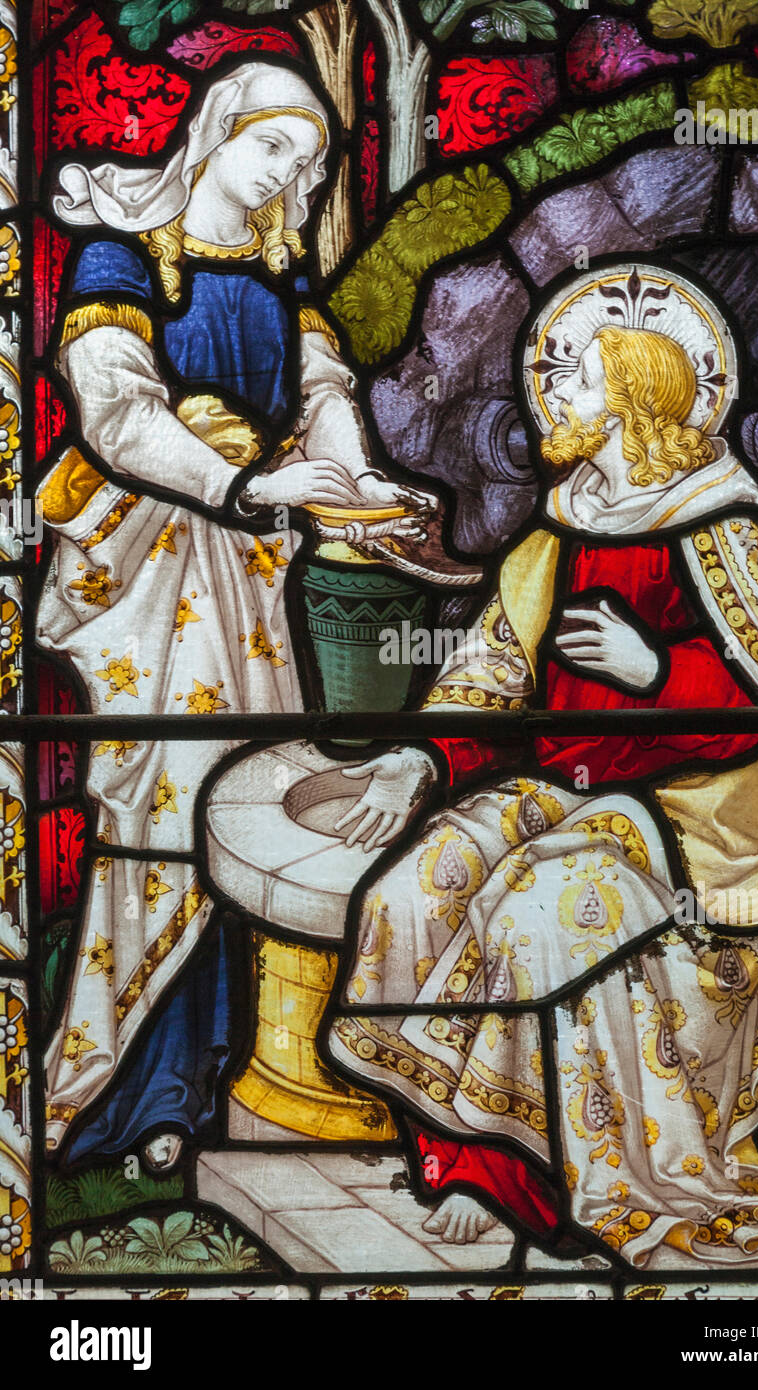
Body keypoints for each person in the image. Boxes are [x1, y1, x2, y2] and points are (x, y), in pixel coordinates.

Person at [326, 263, 758, 1268]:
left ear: (636, 394)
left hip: (701, 813)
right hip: (570, 787)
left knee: (534, 911)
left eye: (575, 379)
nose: (551, 395)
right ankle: (473, 1159)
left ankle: (559, 1173)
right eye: (551, 376)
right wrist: (415, 762)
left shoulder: (715, 520)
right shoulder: (563, 523)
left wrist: (659, 668)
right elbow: (493, 670)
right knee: (414, 887)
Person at [37, 60, 432, 1164]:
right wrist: (248, 489)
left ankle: (208, 1085)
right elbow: (116, 411)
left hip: (250, 586)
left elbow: (323, 398)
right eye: (274, 148)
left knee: (241, 800)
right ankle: (114, 1092)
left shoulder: (273, 275)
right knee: (167, 807)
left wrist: (357, 490)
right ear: (215, 130)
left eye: (306, 166)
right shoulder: (123, 262)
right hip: (153, 579)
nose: (288, 179)